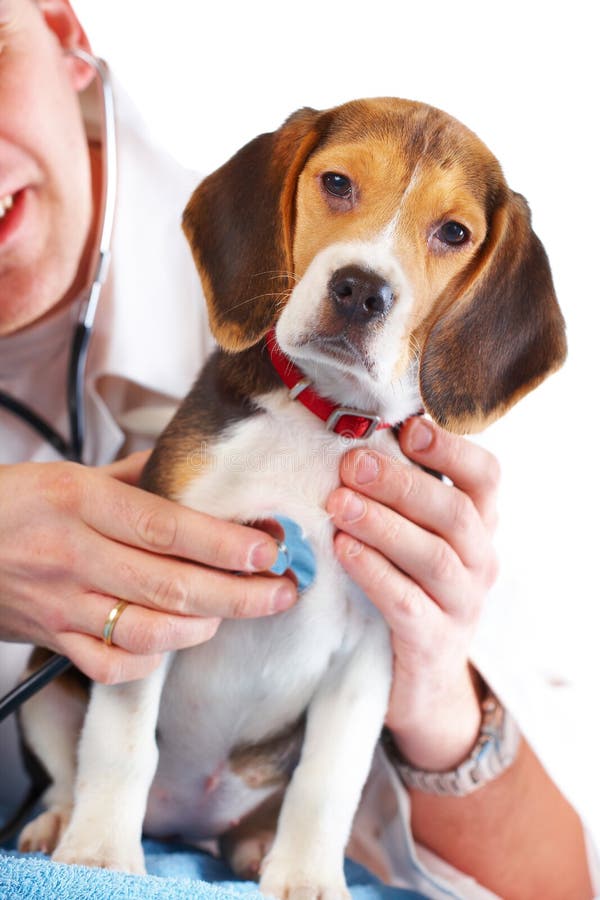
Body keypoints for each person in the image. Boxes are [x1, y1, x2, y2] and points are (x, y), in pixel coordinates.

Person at [0, 1, 596, 897]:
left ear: (63, 29)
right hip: (104, 780)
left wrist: (434, 688)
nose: (370, 269)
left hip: (260, 795)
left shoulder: (424, 481)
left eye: (449, 235)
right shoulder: (235, 366)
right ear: (291, 191)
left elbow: (556, 880)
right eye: (342, 188)